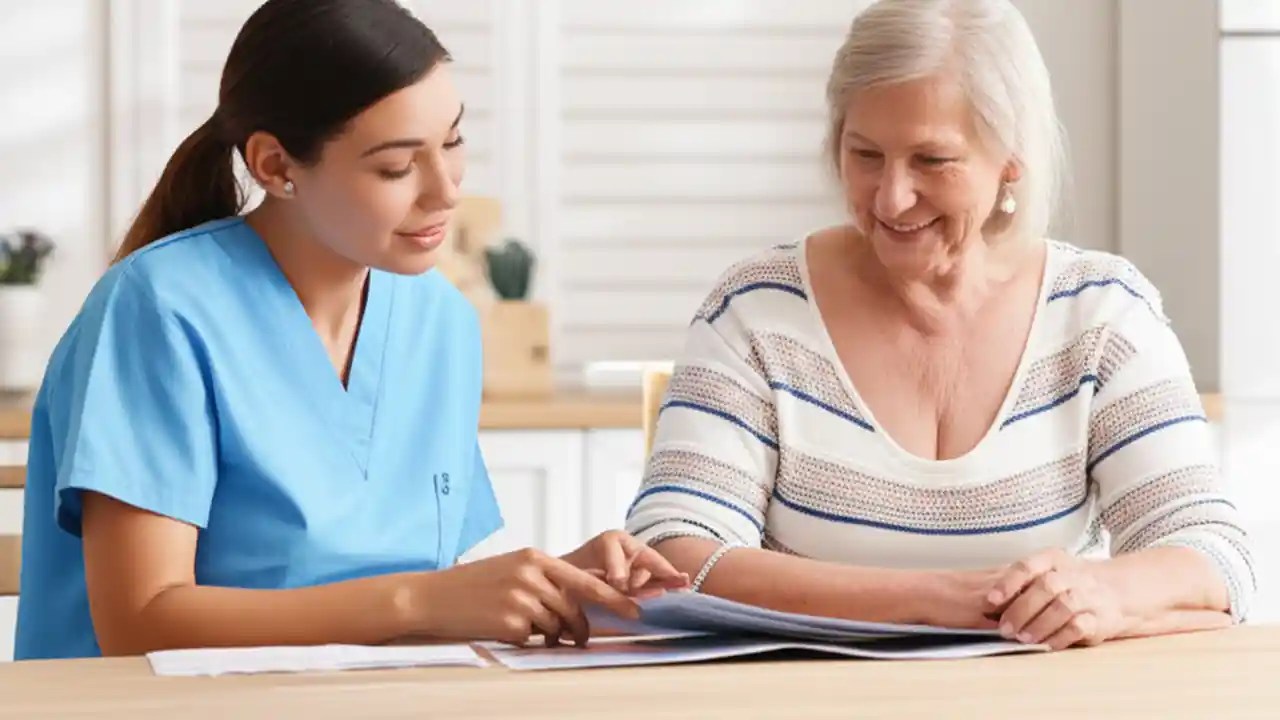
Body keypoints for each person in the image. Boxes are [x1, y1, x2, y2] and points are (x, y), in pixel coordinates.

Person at [15, 0, 684, 661]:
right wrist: (424, 600)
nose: (446, 190)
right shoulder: (159, 308)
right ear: (276, 166)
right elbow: (140, 621)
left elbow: (405, 593)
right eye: (397, 166)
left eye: (452, 142)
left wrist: (553, 587)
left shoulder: (441, 320)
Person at [627, 0, 1254, 651]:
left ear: (1010, 159)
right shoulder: (757, 311)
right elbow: (669, 555)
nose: (891, 198)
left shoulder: (1101, 315)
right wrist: (933, 600)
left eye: (932, 160)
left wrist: (1108, 595)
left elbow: (1214, 556)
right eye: (866, 154)